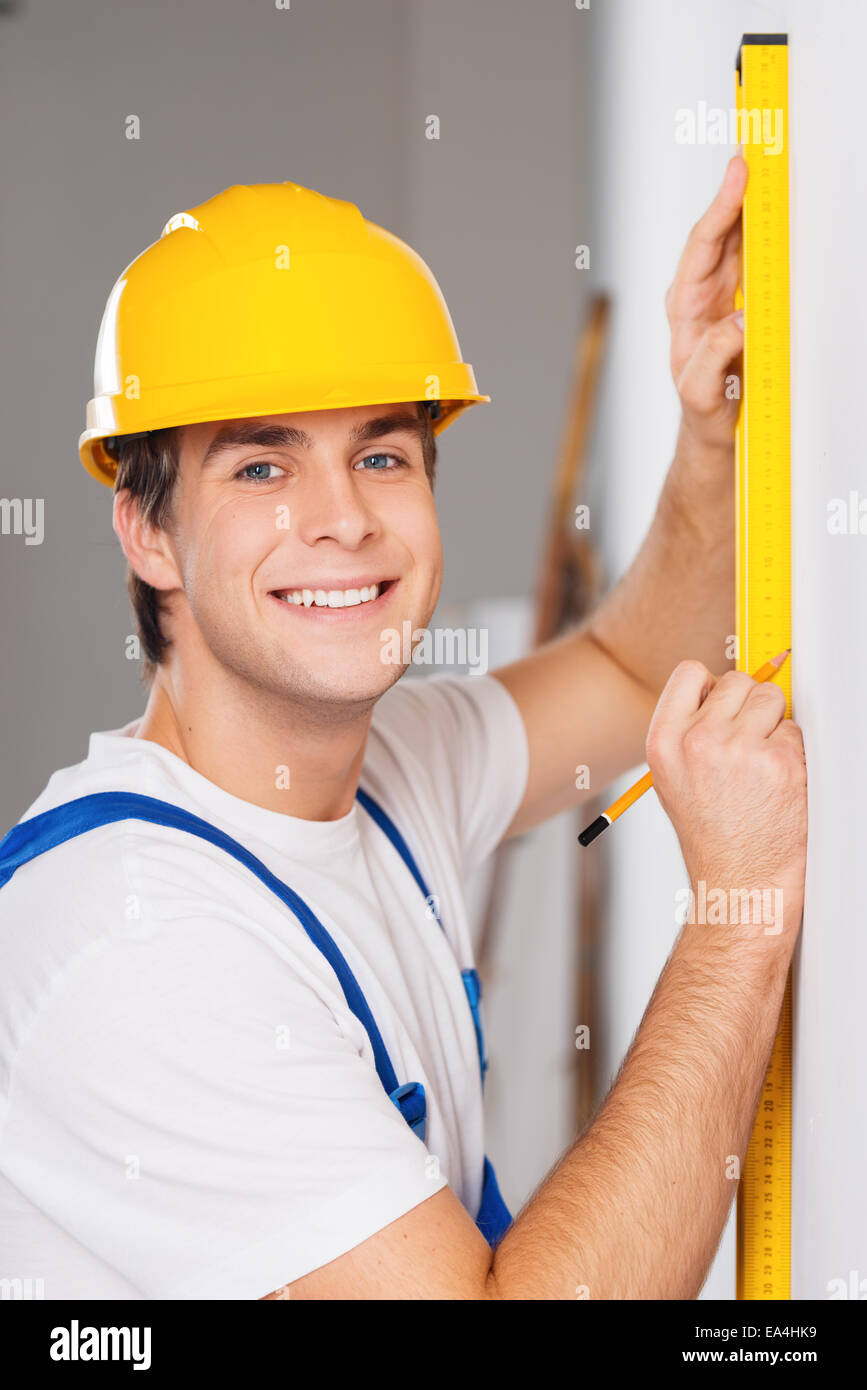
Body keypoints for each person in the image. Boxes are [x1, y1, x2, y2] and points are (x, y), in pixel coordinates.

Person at [0, 156, 806, 1300]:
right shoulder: (132, 945)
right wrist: (740, 914)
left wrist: (715, 437)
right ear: (148, 534)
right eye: (262, 464)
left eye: (380, 454)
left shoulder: (389, 769)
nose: (342, 521)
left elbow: (630, 669)